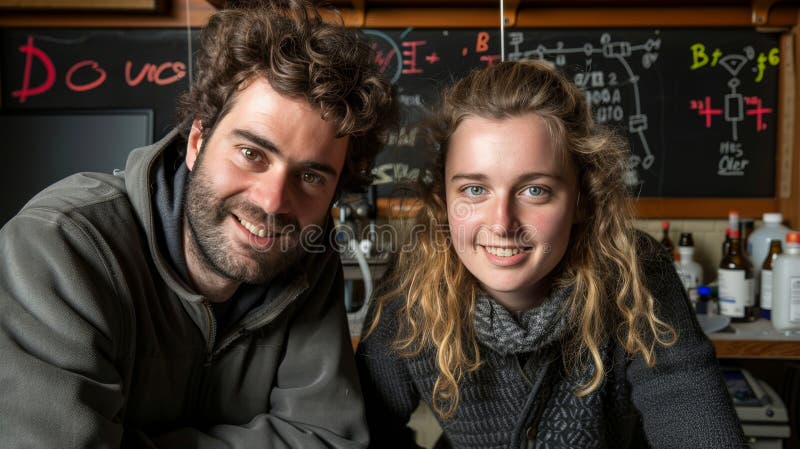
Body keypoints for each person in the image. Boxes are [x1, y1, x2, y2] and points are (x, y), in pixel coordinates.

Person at [0, 1, 396, 448]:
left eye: (309, 177)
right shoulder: (61, 246)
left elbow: (326, 439)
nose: (272, 202)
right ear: (197, 141)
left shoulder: (304, 249)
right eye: (252, 154)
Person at [356, 60, 745, 449]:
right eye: (475, 190)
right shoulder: (411, 284)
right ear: (444, 200)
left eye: (535, 190)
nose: (503, 223)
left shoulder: (637, 272)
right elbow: (360, 432)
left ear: (581, 200)